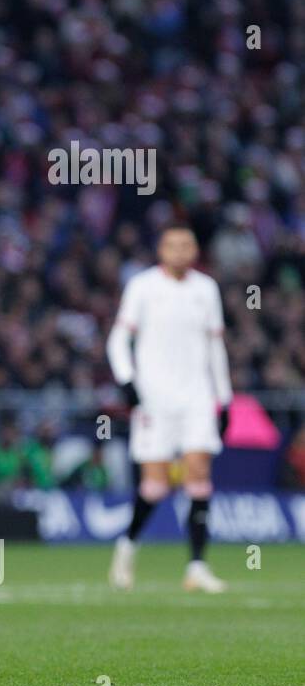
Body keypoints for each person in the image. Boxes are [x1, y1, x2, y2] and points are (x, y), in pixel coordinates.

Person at [106, 226, 232, 593]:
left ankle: (197, 567)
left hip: (196, 397)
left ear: (195, 250)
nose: (180, 251)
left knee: (198, 477)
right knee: (156, 486)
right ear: (161, 250)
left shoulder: (206, 289)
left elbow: (216, 348)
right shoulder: (142, 286)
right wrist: (127, 381)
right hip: (154, 400)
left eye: (187, 245)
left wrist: (224, 398)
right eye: (173, 245)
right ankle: (126, 548)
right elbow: (118, 339)